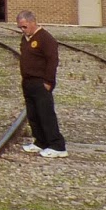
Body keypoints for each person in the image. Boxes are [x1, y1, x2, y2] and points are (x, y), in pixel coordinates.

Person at [15, 10, 67, 157]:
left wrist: (49, 81)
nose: (22, 30)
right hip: (28, 81)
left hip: (41, 82)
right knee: (33, 114)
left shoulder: (45, 38)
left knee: (45, 114)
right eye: (20, 27)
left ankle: (57, 145)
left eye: (24, 27)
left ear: (33, 22)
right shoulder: (26, 39)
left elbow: (52, 60)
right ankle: (40, 141)